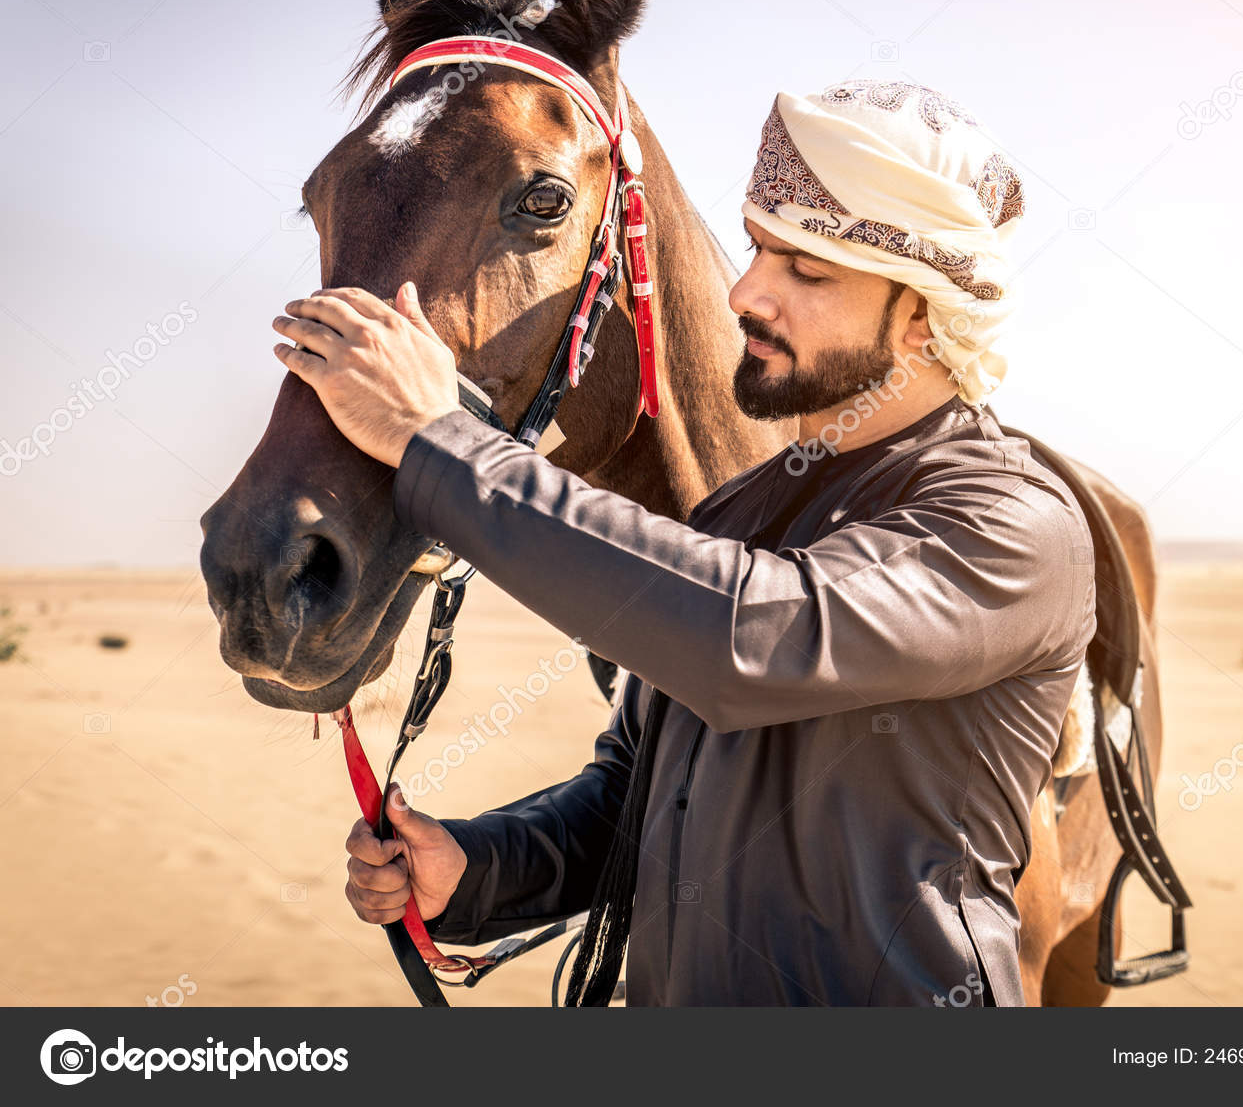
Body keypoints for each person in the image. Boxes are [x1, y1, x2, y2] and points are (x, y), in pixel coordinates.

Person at [272, 78, 1096, 1006]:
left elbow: (749, 641)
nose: (747, 293)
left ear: (921, 313)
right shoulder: (740, 517)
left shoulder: (1009, 523)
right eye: (757, 250)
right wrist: (476, 867)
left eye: (808, 271)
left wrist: (438, 441)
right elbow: (640, 795)